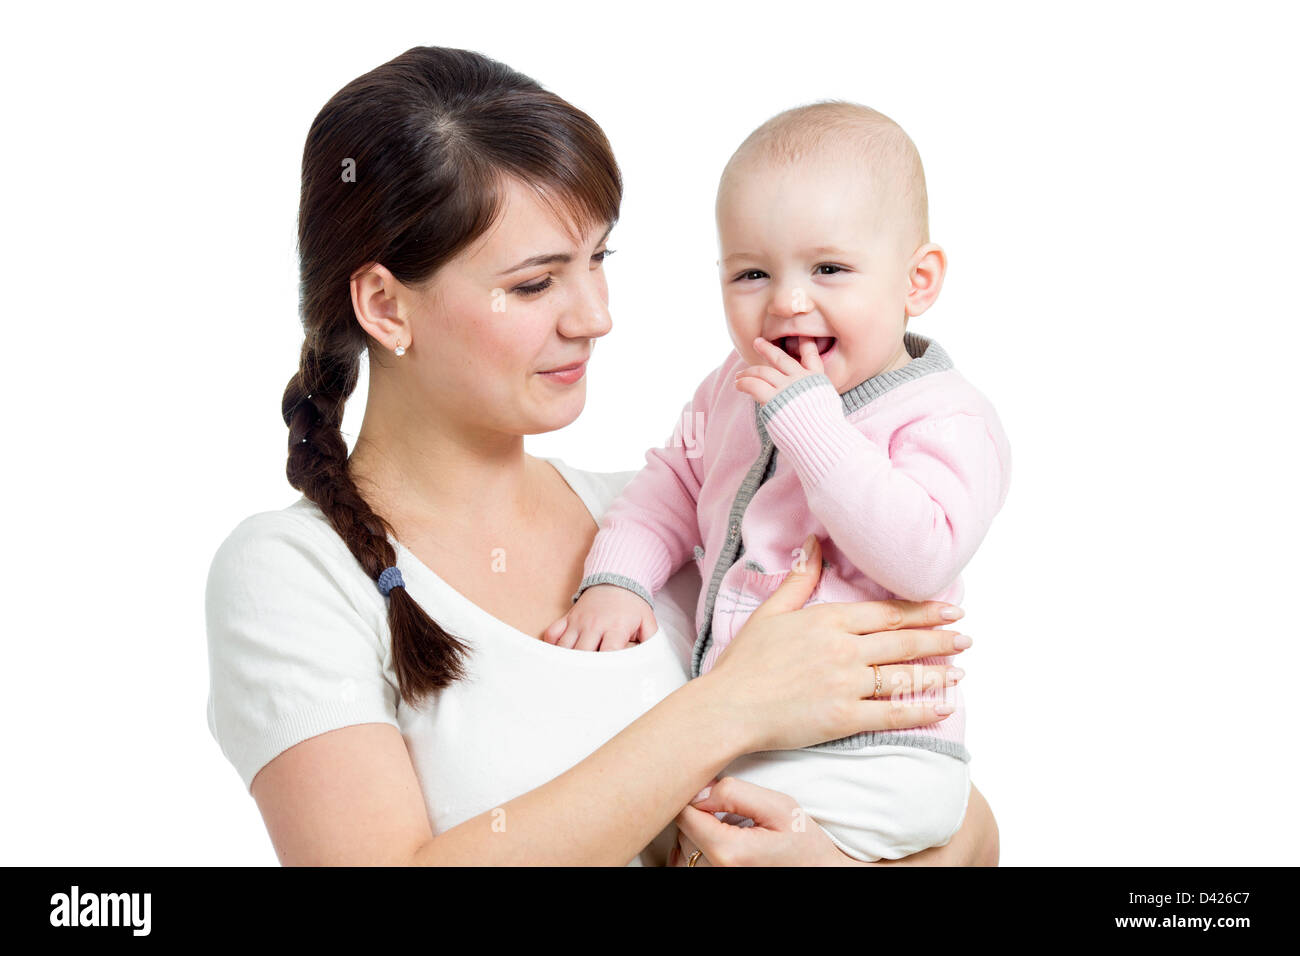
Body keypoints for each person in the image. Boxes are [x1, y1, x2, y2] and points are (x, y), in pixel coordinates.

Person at [204, 44, 998, 866]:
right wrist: (729, 708)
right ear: (384, 306)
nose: (594, 317)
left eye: (598, 261)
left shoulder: (682, 521)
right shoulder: (295, 576)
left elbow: (968, 829)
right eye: (535, 283)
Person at [546, 102, 1010, 861]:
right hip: (758, 730)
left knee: (704, 820)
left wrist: (814, 427)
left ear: (916, 282)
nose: (788, 300)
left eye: (829, 269)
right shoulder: (734, 384)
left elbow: (922, 555)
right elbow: (672, 482)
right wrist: (618, 579)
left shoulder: (947, 418)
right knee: (672, 803)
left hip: (878, 751)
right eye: (752, 273)